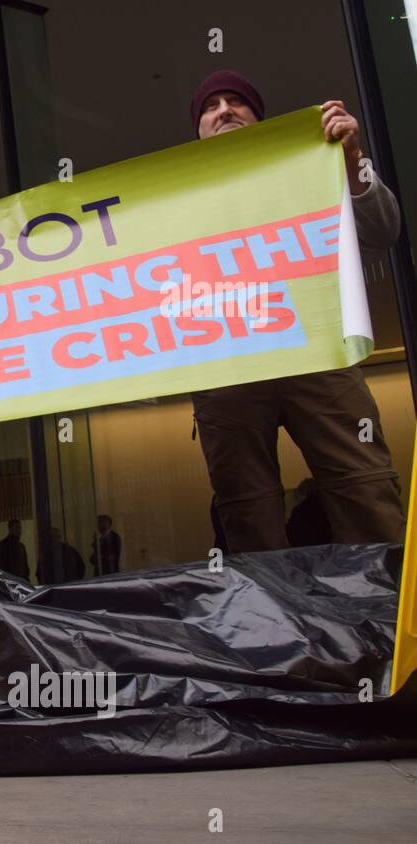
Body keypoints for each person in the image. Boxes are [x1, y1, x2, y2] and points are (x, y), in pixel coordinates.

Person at [188, 70, 406, 554]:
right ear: (199, 128)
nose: (224, 110)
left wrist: (352, 161)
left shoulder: (312, 163)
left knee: (363, 483)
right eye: (211, 106)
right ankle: (267, 622)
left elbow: (382, 231)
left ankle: (387, 617)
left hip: (317, 349)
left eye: (236, 102)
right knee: (245, 506)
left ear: (258, 118)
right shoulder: (169, 196)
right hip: (225, 365)